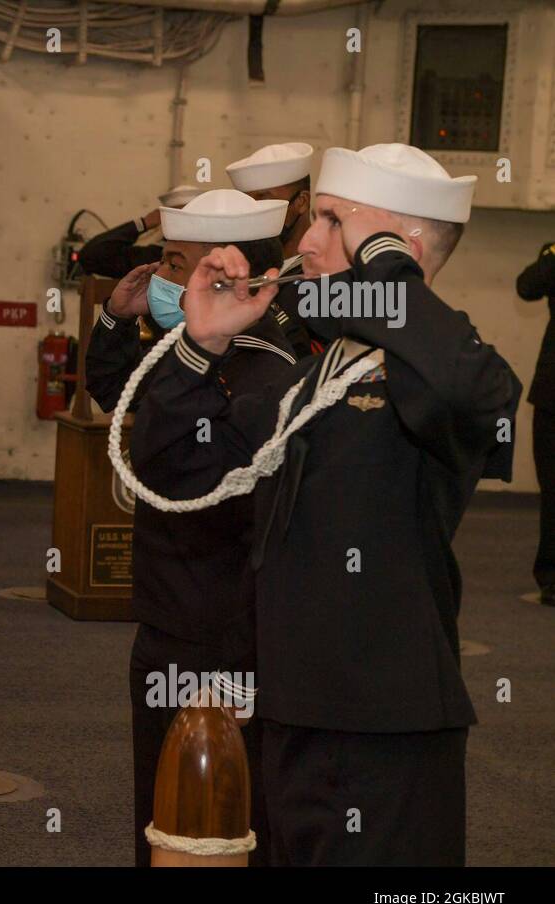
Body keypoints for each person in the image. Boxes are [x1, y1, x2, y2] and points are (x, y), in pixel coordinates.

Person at [130, 144, 521, 865]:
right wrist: (204, 344)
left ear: (391, 250)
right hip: (288, 713)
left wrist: (385, 264)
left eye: (332, 222)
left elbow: (467, 393)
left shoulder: (445, 370)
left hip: (384, 724)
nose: (304, 244)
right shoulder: (306, 382)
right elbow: (174, 473)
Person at [85, 189, 296, 866]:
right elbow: (124, 403)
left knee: (212, 814)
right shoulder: (203, 350)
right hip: (177, 615)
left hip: (216, 638)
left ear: (228, 276)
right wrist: (118, 325)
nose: (162, 280)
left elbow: (169, 466)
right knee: (165, 807)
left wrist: (239, 667)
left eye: (177, 265)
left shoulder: (256, 374)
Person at [226, 142, 316, 356]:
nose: (251, 210)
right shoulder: (239, 268)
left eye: (263, 198)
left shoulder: (325, 275)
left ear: (301, 202)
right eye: (246, 201)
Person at [516, 240, 555, 606]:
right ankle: (552, 577)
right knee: (553, 486)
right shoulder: (554, 253)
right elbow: (526, 287)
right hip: (552, 392)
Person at [77, 183, 201, 279]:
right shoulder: (152, 259)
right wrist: (143, 224)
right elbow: (90, 256)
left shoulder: (214, 255)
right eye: (175, 215)